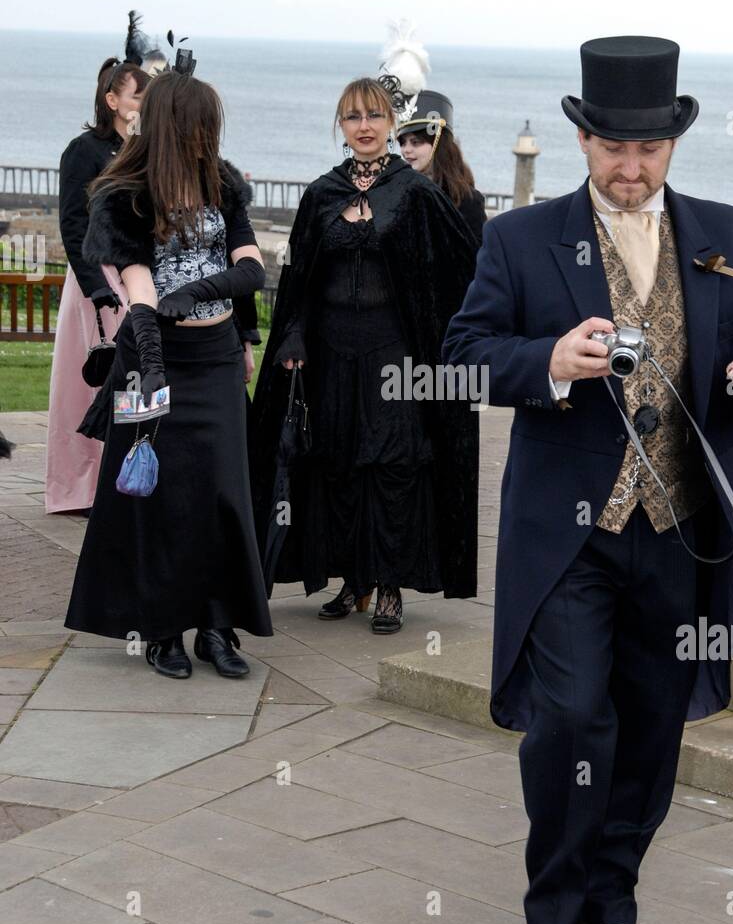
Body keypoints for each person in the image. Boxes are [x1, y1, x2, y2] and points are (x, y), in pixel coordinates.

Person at [443, 35, 733, 924]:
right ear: (582, 140)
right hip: (571, 535)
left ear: (673, 144)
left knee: (652, 726)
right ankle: (549, 918)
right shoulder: (521, 240)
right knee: (570, 719)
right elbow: (465, 353)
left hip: (684, 534)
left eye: (648, 149)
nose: (631, 167)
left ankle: (614, 906)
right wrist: (546, 363)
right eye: (614, 147)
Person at [249, 74, 479, 633]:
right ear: (341, 126)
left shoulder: (414, 192)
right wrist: (294, 335)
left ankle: (389, 585)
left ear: (390, 122)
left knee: (391, 463)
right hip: (330, 353)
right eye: (353, 117)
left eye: (374, 116)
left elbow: (461, 265)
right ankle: (354, 579)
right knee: (338, 461)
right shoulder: (321, 194)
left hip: (393, 355)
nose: (365, 126)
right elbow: (298, 276)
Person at [64, 66, 273, 679]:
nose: (208, 136)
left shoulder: (223, 183)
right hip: (152, 360)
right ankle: (160, 629)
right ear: (172, 124)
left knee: (222, 492)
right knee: (157, 497)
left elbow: (251, 270)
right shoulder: (124, 193)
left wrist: (199, 295)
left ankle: (216, 626)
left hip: (215, 360)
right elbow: (140, 294)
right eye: (200, 125)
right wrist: (153, 366)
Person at [45, 49, 149, 514]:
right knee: (88, 381)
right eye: (138, 95)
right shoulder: (83, 151)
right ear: (112, 100)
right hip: (97, 279)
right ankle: (80, 487)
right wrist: (95, 287)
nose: (145, 103)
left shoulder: (145, 151)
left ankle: (127, 476)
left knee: (135, 378)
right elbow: (72, 224)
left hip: (139, 276)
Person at [397, 91, 486, 245]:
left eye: (416, 142)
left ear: (438, 144)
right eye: (403, 143)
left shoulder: (467, 201)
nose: (406, 150)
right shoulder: (397, 191)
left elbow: (477, 255)